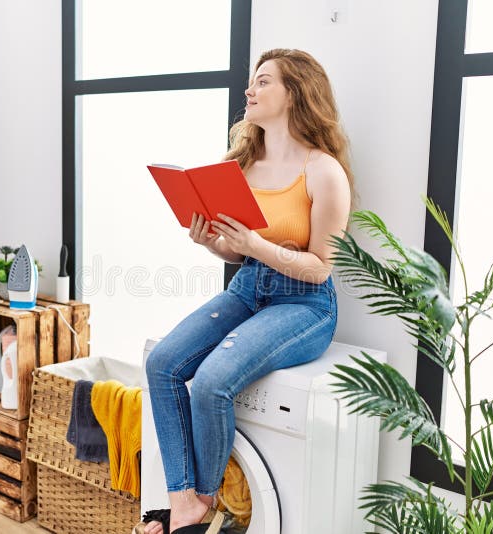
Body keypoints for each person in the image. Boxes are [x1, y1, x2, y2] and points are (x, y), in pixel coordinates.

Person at [136, 48, 354, 534]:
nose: (249, 91)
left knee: (211, 381)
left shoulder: (324, 171)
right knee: (162, 363)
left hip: (304, 304)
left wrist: (255, 244)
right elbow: (237, 255)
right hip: (248, 287)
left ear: (295, 93)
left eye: (263, 82)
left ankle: (203, 502)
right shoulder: (241, 164)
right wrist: (213, 242)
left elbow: (320, 268)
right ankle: (183, 500)